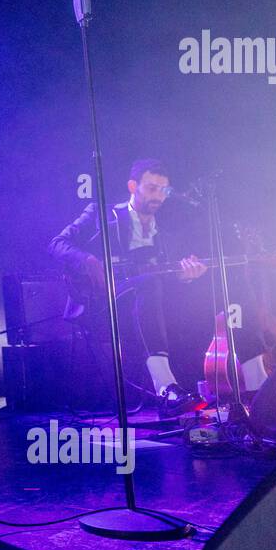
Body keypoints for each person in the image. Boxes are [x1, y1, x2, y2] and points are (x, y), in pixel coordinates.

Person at [48, 158, 208, 418]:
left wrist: (187, 276)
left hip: (144, 306)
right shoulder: (101, 213)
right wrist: (88, 261)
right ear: (133, 186)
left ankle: (211, 385)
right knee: (149, 286)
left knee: (182, 294)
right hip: (99, 305)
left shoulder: (166, 232)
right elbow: (57, 243)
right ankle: (166, 389)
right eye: (152, 188)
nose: (159, 196)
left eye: (164, 190)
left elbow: (165, 275)